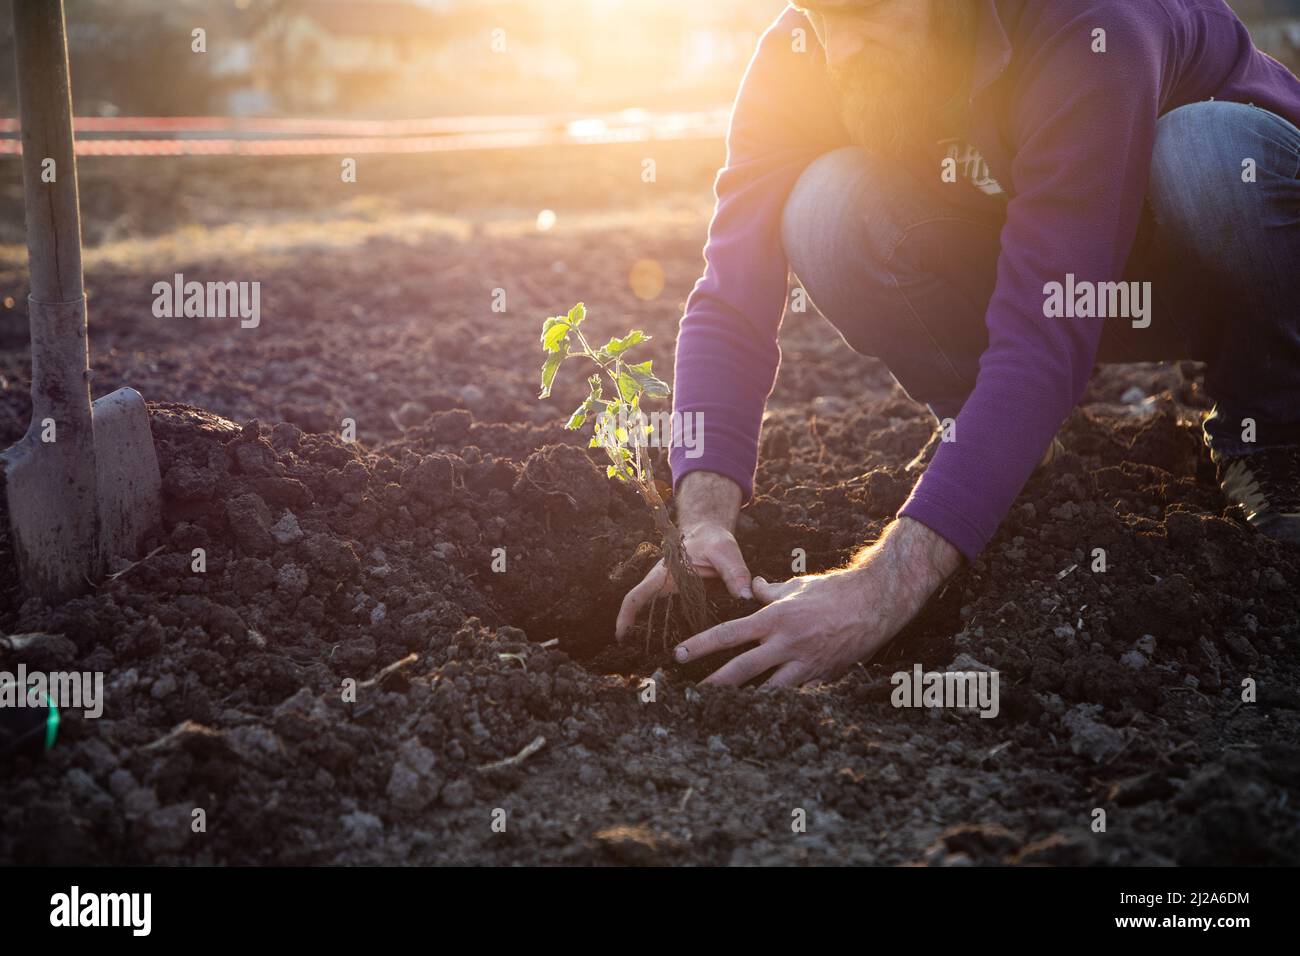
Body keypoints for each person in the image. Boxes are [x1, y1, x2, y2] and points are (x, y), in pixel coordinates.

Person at [616, 0, 1300, 687]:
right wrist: (702, 518)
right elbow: (732, 290)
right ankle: (995, 442)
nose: (840, 47)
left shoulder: (1091, 26)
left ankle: (1273, 427)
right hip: (1055, 262)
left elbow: (1046, 333)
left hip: (1239, 263)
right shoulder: (801, 53)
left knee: (1205, 156)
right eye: (824, 15)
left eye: (866, 13)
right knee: (826, 208)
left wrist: (881, 592)